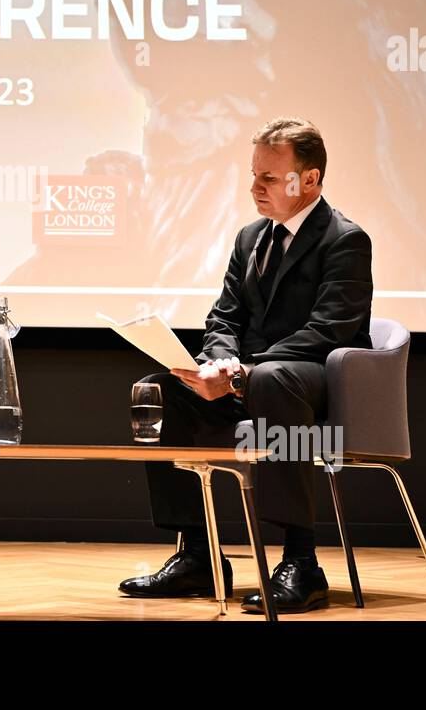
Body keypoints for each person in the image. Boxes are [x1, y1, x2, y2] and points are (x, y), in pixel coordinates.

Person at [118, 117, 372, 613]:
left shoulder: (344, 239)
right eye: (254, 174)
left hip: (312, 381)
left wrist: (241, 373)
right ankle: (198, 556)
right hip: (249, 377)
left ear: (311, 180)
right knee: (160, 388)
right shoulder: (250, 238)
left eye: (270, 178)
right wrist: (216, 364)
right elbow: (223, 317)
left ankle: (302, 562)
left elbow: (329, 330)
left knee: (274, 380)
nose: (254, 187)